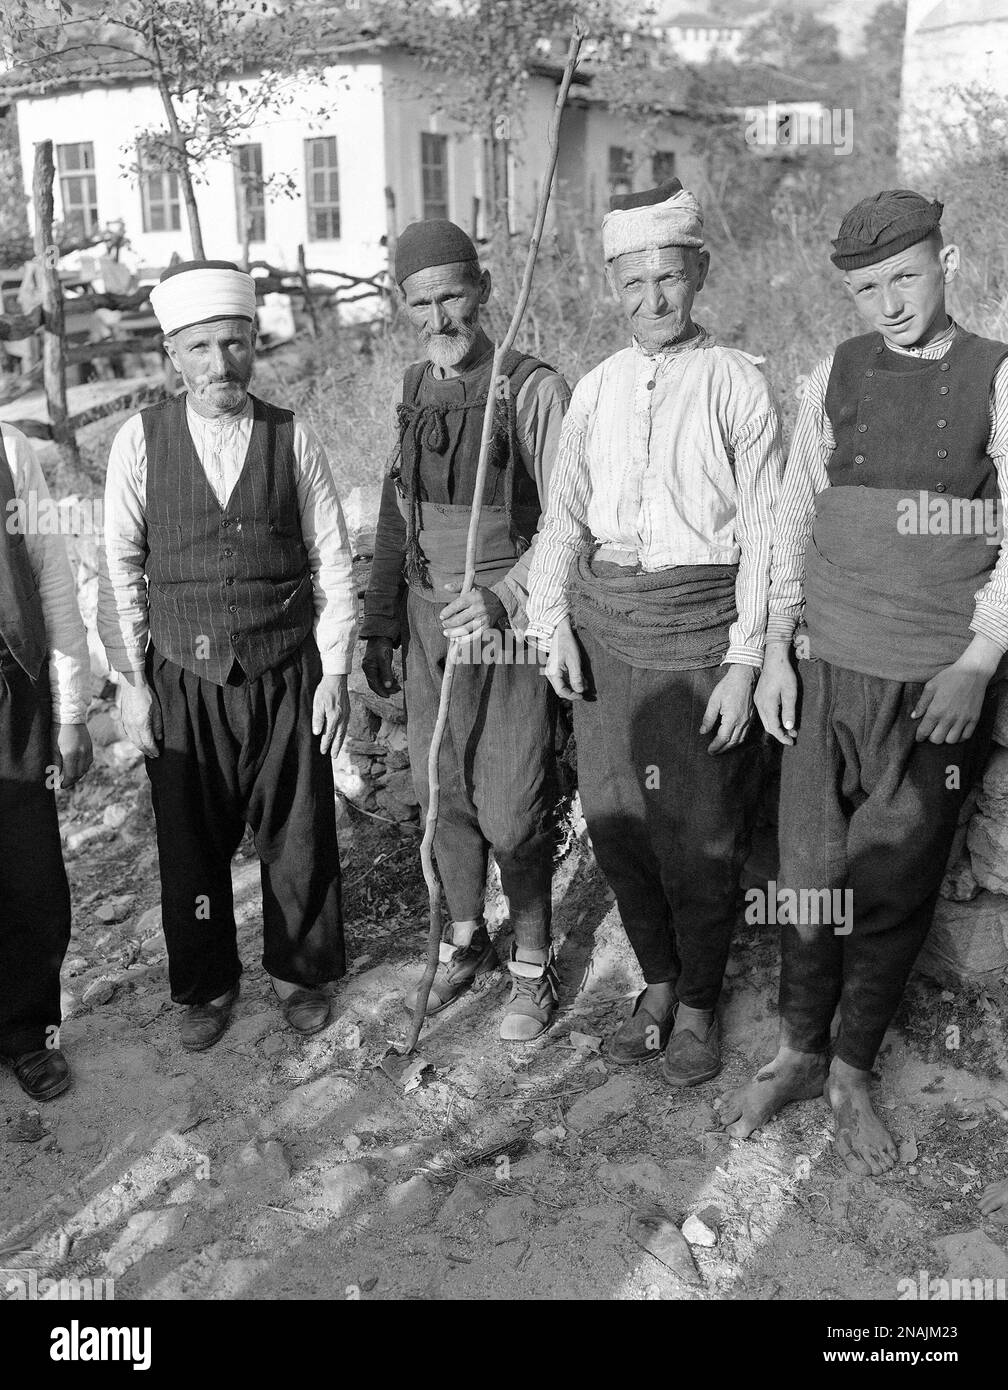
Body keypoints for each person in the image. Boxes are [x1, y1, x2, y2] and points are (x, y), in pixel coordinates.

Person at [720, 190, 1008, 1174]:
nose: (888, 304)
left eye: (905, 278)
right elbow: (792, 511)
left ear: (949, 261)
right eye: (867, 288)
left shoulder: (995, 379)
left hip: (932, 682)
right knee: (809, 873)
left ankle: (853, 1063)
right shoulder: (833, 373)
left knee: (893, 879)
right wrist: (771, 650)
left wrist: (979, 659)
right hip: (822, 670)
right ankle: (801, 1046)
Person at [526, 181, 785, 1085]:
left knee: (700, 832)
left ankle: (704, 1002)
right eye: (632, 283)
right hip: (605, 634)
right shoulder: (594, 389)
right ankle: (661, 977)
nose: (651, 301)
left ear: (699, 272)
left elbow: (768, 539)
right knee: (618, 820)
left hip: (700, 637)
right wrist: (551, 619)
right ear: (611, 284)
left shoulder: (740, 384)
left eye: (667, 279)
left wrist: (750, 660)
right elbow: (561, 523)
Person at [98, 260, 357, 1052]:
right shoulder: (139, 441)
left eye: (236, 345)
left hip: (284, 669)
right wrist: (131, 685)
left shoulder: (293, 436)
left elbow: (335, 563)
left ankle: (299, 972)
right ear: (172, 355)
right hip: (183, 676)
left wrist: (336, 673)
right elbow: (117, 569)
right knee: (191, 840)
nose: (221, 366)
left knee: (298, 830)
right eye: (202, 348)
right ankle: (208, 983)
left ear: (255, 344)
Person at [362, 220, 570, 1041]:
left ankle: (533, 962)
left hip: (505, 632)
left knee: (514, 806)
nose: (440, 315)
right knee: (442, 793)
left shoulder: (532, 388)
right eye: (422, 301)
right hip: (425, 623)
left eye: (453, 294)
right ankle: (465, 943)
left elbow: (570, 522)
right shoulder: (414, 386)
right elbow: (394, 510)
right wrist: (380, 624)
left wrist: (505, 597)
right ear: (403, 306)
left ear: (483, 291)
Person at [0, 422, 92, 1099]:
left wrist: (70, 710)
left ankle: (29, 1033)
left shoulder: (7, 447)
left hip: (12, 696)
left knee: (29, 874)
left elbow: (49, 574)